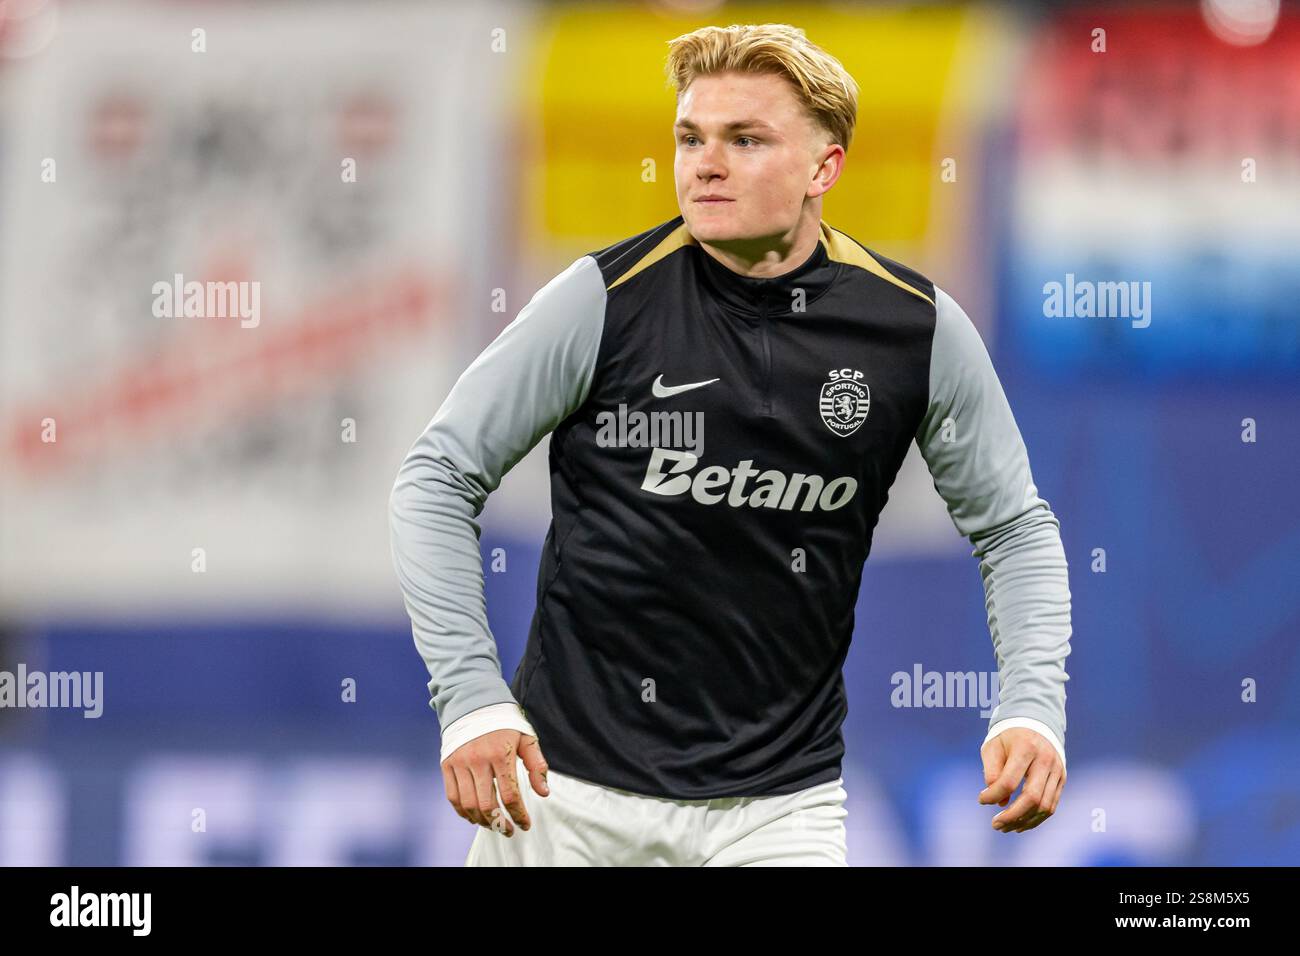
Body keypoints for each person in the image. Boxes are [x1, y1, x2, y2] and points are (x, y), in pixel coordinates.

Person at [388, 22, 1072, 866]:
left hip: (779, 811)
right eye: (690, 138)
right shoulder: (601, 301)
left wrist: (1030, 706)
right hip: (566, 795)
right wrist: (472, 701)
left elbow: (1015, 529)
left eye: (745, 139)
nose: (704, 163)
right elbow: (436, 477)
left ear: (825, 168)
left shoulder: (913, 330)